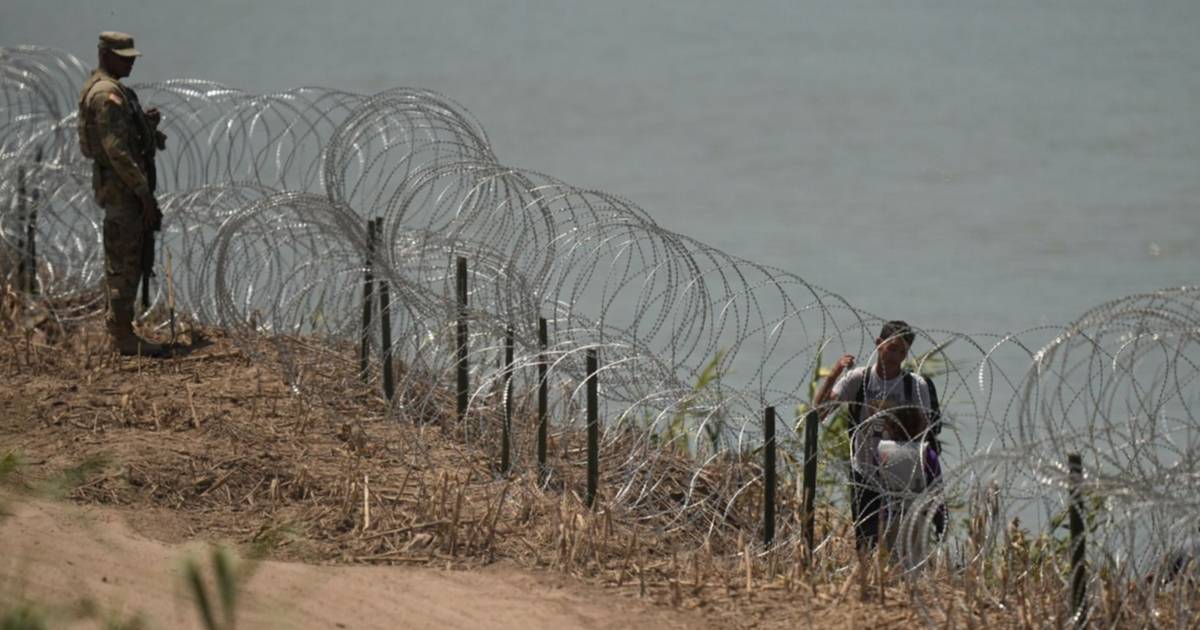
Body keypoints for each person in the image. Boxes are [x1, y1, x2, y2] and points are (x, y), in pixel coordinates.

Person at [812, 320, 944, 550]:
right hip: (864, 472)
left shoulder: (914, 385)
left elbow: (924, 430)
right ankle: (868, 582)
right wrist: (834, 374)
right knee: (866, 541)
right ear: (878, 344)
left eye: (902, 352)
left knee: (901, 545)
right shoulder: (859, 379)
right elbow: (819, 412)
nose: (896, 357)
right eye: (892, 348)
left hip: (901, 474)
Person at [77, 31, 169, 356]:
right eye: (124, 56)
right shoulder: (107, 95)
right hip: (123, 191)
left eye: (132, 56)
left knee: (129, 255)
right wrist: (143, 193)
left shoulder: (116, 91)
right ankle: (122, 336)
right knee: (124, 261)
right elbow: (116, 150)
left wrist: (145, 125)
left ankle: (121, 331)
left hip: (124, 188)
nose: (130, 61)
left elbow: (122, 136)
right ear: (105, 55)